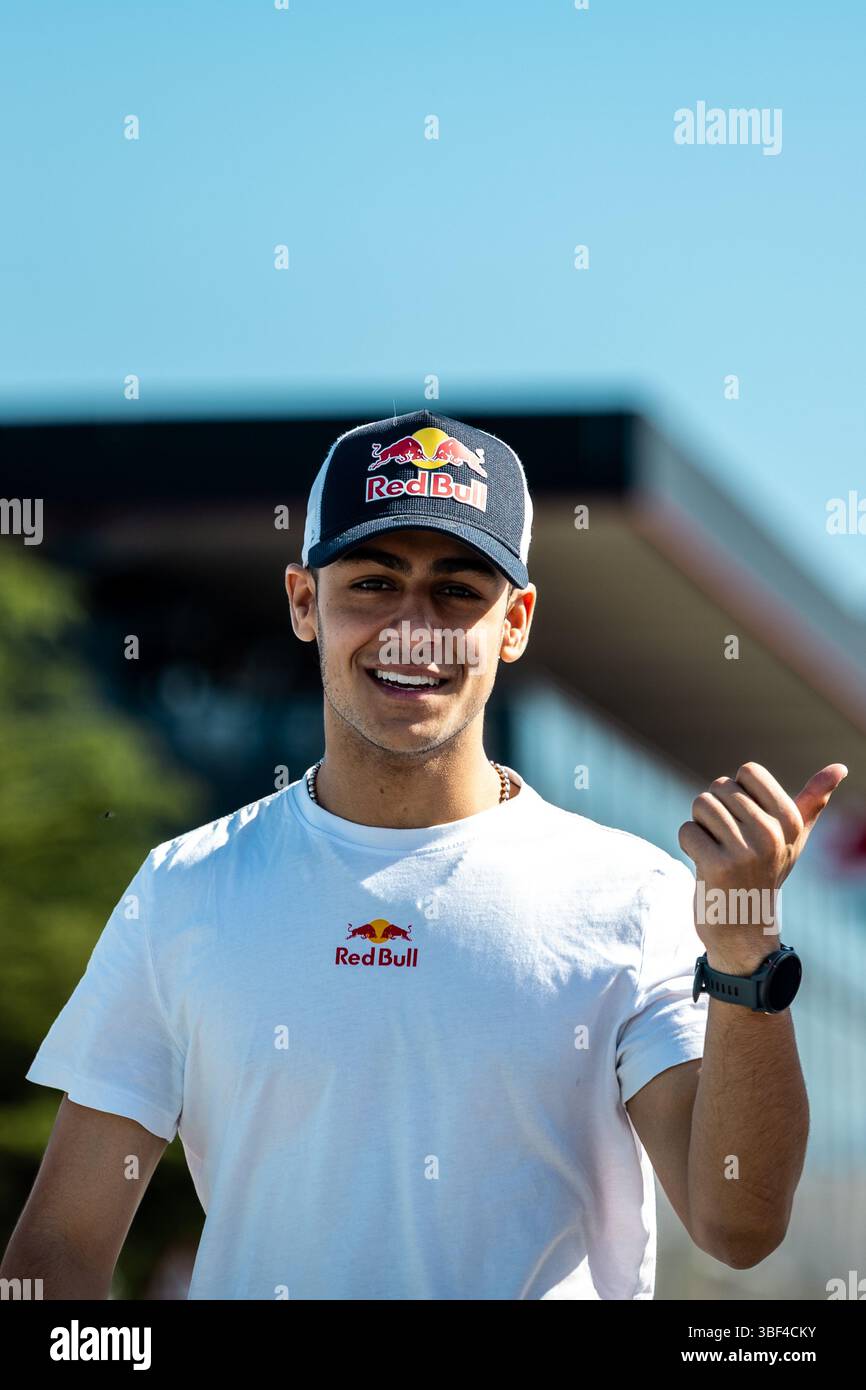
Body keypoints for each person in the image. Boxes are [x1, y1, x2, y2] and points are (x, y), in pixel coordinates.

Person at [3, 409, 837, 1299]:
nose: (415, 626)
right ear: (302, 602)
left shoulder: (631, 895)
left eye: (457, 590)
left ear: (514, 623)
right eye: (372, 581)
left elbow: (739, 1226)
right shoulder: (186, 888)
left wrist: (746, 958)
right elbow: (57, 1254)